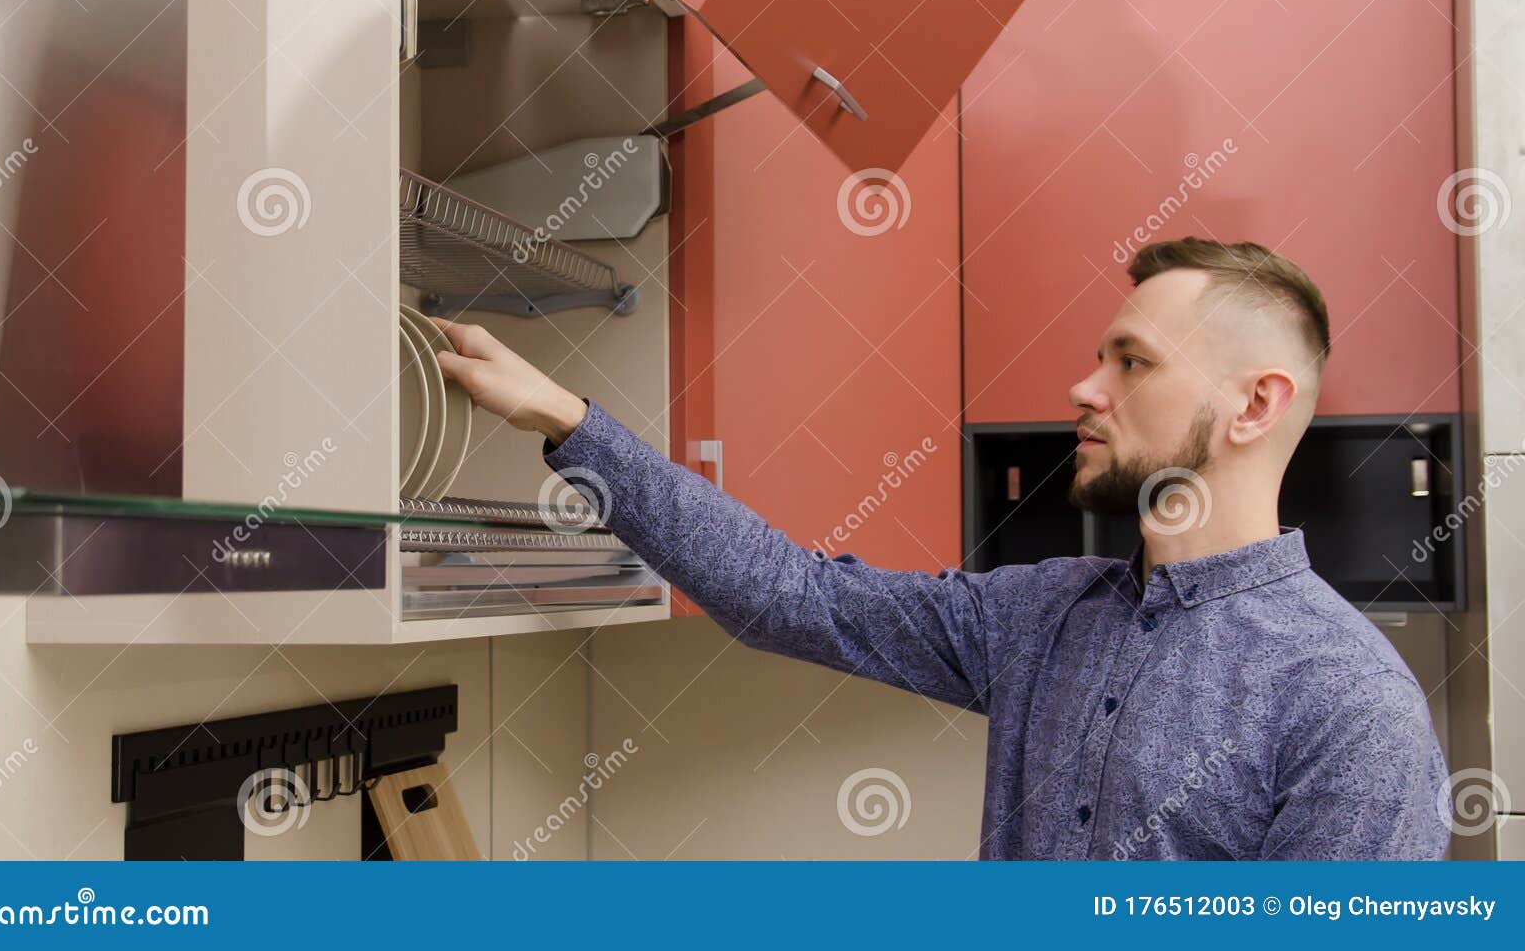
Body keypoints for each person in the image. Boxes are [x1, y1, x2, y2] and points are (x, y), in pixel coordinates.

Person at [431, 236, 1451, 860]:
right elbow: (789, 595)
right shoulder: (1044, 615)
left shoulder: (1348, 707)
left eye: (1130, 361)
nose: (1083, 389)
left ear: (1254, 403)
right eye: (1099, 357)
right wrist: (567, 419)